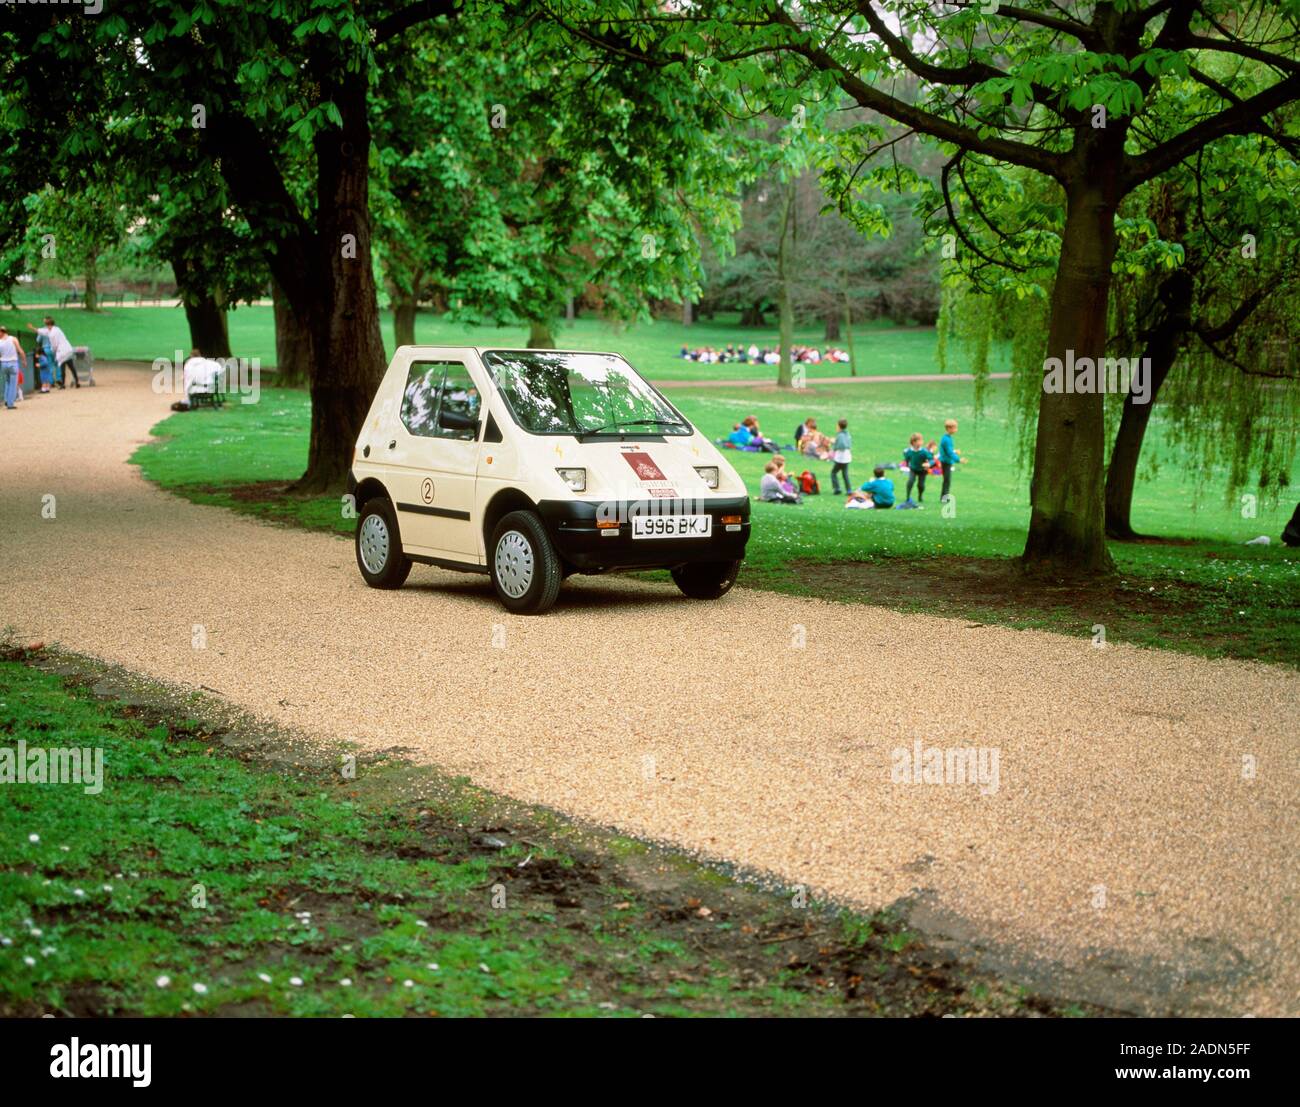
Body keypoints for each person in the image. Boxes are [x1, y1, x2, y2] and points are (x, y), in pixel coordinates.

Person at [28, 316, 76, 387]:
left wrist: (33, 329)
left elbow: (38, 339)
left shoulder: (45, 330)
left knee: (50, 365)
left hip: (47, 349)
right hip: (55, 350)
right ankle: (59, 379)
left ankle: (51, 381)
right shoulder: (56, 329)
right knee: (58, 364)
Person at [902, 432, 934, 506]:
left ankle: (920, 496)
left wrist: (929, 464)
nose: (921, 442)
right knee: (910, 481)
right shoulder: (908, 451)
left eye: (921, 440)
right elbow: (907, 458)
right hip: (913, 469)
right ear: (913, 442)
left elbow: (932, 460)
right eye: (919, 441)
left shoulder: (924, 452)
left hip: (922, 470)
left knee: (921, 485)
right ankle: (908, 497)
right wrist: (907, 465)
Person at [0, 325, 27, 410]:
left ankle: (6, 400)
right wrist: (24, 360)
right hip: (13, 363)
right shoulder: (13, 339)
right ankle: (10, 403)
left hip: (3, 363)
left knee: (7, 382)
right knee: (13, 383)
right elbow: (20, 351)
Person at [938, 419, 964, 502]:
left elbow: (948, 450)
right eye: (954, 428)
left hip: (946, 461)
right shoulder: (946, 439)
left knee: (946, 480)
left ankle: (944, 497)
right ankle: (944, 498)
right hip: (946, 462)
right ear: (949, 428)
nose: (956, 430)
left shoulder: (947, 438)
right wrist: (959, 460)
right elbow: (949, 453)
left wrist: (955, 451)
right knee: (947, 480)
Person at [830, 418, 852, 494]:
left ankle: (837, 488)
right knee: (845, 474)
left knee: (833, 473)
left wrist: (833, 443)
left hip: (841, 458)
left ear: (839, 426)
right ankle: (849, 490)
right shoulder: (847, 434)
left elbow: (841, 445)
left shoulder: (840, 435)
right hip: (847, 458)